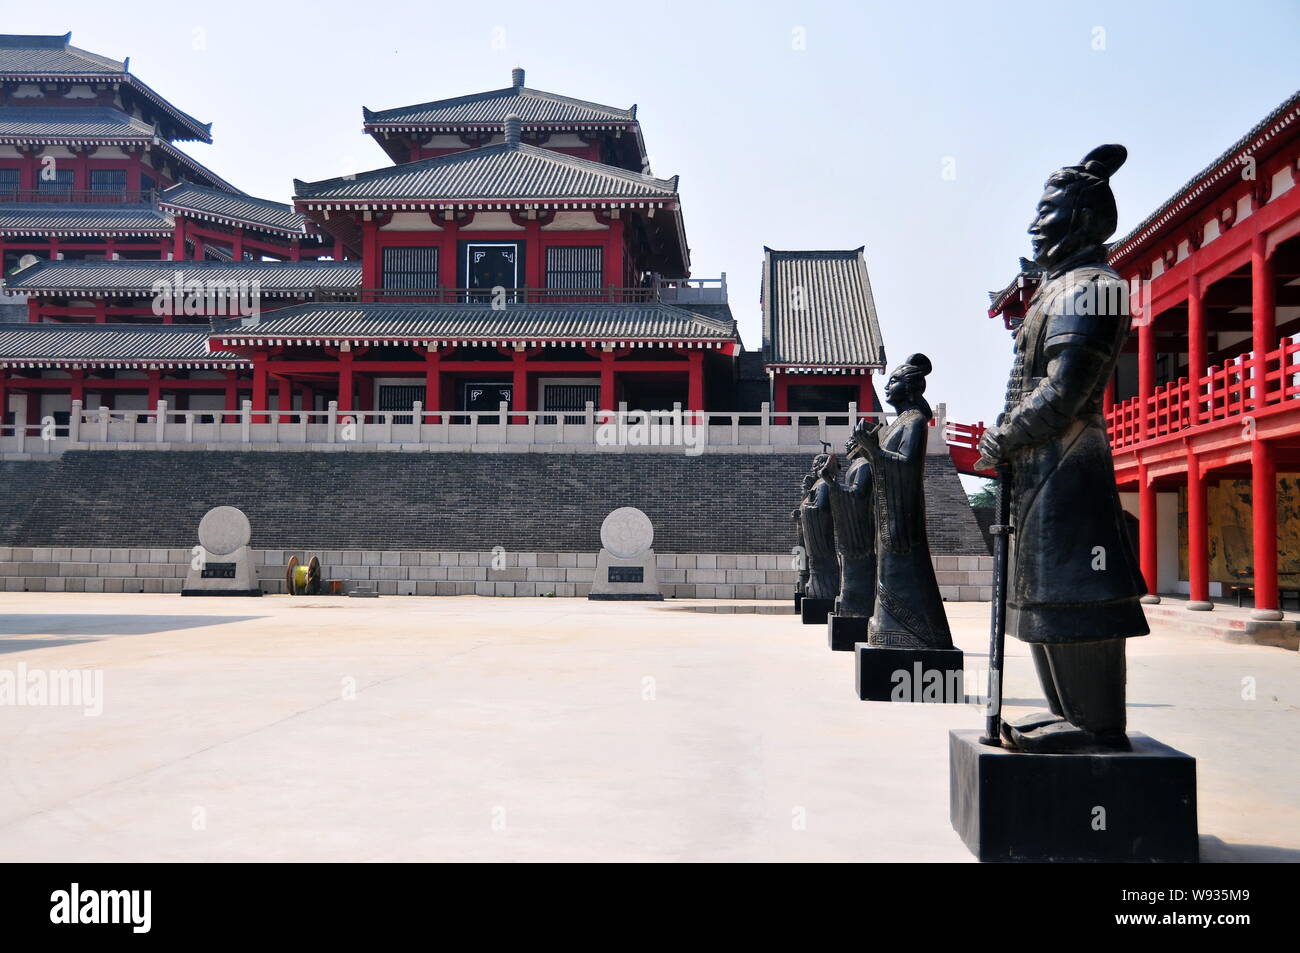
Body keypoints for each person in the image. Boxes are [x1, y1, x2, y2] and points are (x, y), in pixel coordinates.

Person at [976, 144, 1149, 753]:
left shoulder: (1094, 287)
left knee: (1078, 586)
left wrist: (1006, 433)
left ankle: (1097, 723)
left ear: (1078, 218)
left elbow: (1066, 389)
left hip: (1069, 463)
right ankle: (1068, 715)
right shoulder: (1055, 289)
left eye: (1046, 214)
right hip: (1035, 467)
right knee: (1045, 594)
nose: (1034, 228)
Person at [855, 355, 952, 650]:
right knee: (888, 570)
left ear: (910, 389)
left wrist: (873, 450)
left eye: (893, 381)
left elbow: (908, 465)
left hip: (902, 513)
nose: (886, 386)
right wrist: (872, 451)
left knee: (905, 570)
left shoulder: (915, 422)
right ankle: (889, 627)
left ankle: (917, 631)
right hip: (888, 510)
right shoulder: (898, 423)